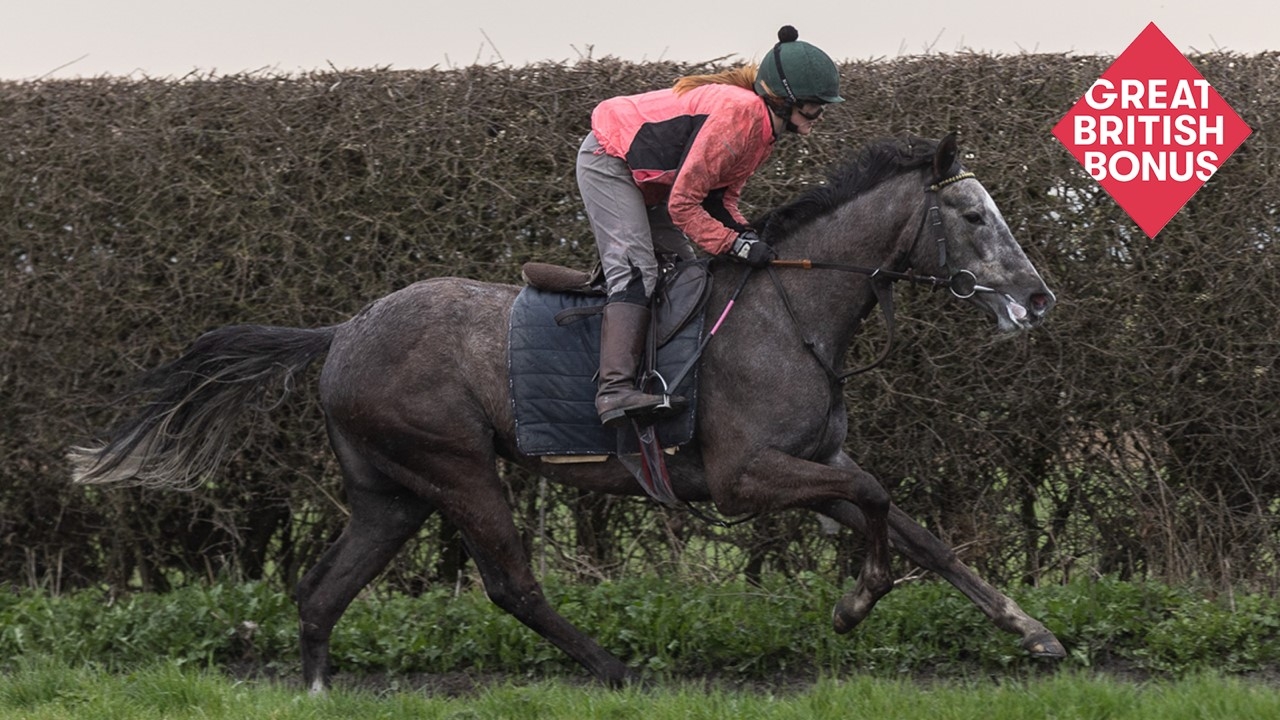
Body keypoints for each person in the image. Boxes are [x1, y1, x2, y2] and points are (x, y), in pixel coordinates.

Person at [576, 25, 844, 427]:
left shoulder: (763, 130)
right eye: (813, 106)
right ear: (784, 98)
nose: (818, 115)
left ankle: (659, 376)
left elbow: (720, 199)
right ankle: (613, 391)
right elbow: (685, 205)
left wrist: (747, 235)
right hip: (609, 161)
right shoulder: (742, 114)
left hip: (652, 183)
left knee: (687, 277)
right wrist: (734, 246)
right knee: (637, 271)